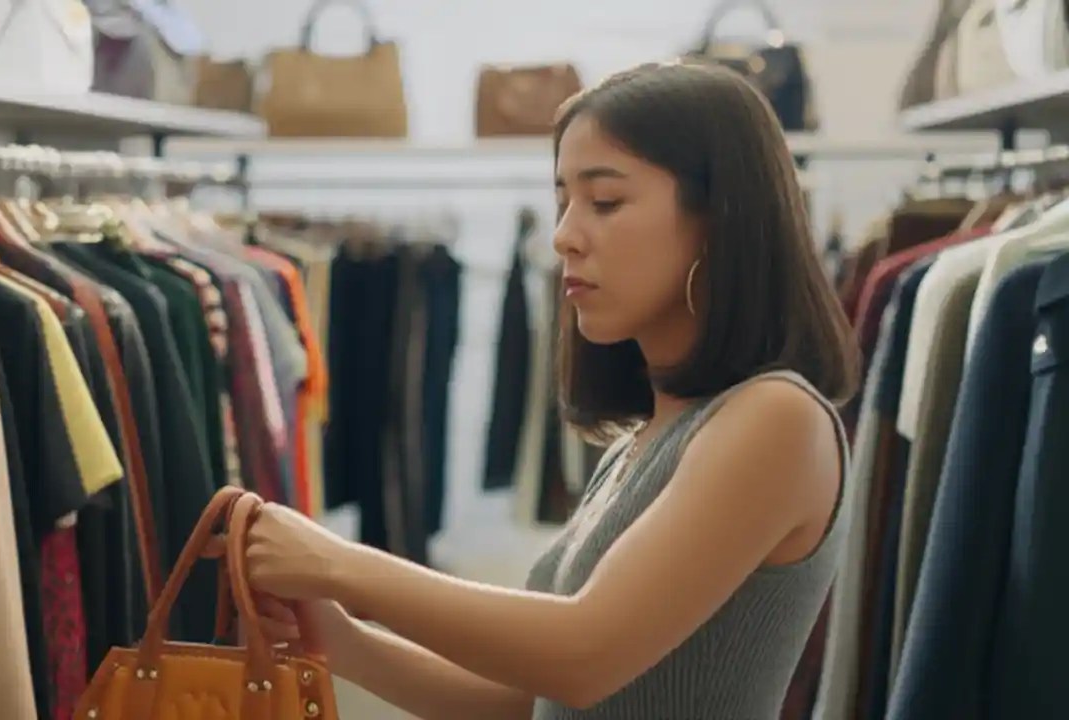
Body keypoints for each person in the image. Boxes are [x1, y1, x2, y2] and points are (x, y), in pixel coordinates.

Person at [243, 61, 860, 719]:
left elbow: (583, 654)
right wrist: (338, 640)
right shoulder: (641, 444)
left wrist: (336, 564)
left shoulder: (776, 417)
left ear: (718, 218)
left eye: (605, 202)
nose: (564, 235)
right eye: (563, 202)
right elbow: (529, 703)